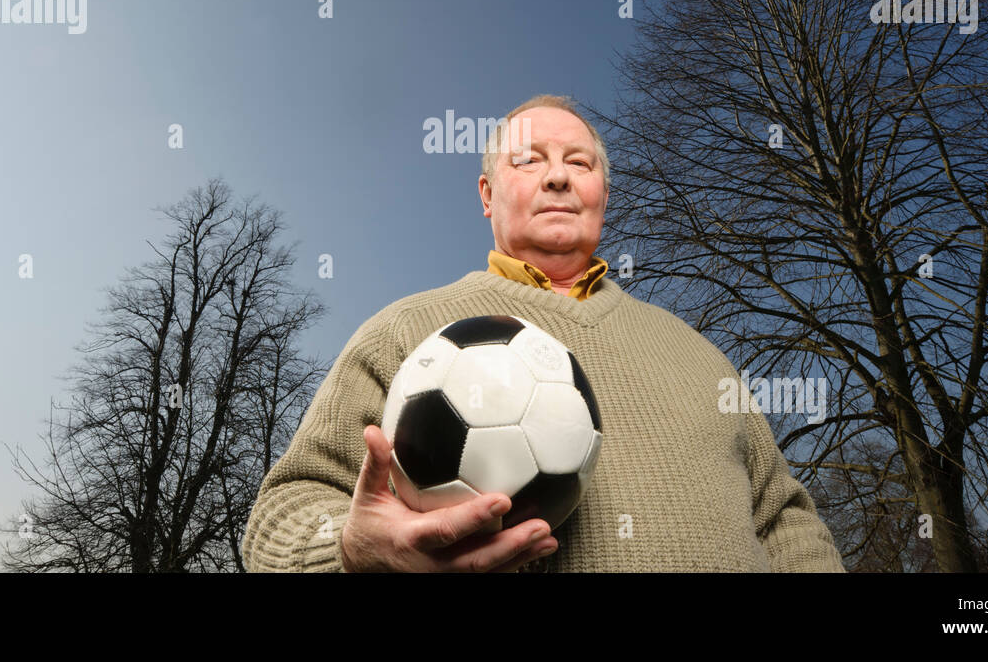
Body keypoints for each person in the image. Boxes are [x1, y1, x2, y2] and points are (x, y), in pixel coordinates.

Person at [241, 94, 846, 572]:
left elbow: (783, 520)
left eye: (579, 163)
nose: (558, 178)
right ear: (486, 194)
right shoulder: (405, 333)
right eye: (528, 160)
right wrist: (350, 551)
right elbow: (281, 515)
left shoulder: (701, 354)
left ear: (602, 195)